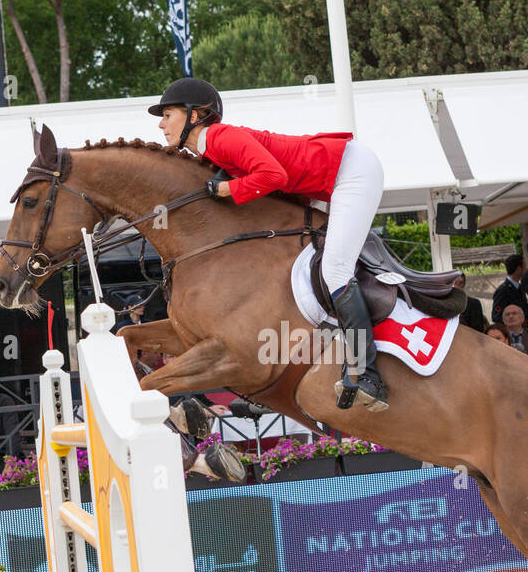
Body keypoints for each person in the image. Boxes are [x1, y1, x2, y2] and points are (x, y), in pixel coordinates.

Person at [150, 77, 388, 411]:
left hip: (350, 172)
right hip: (325, 181)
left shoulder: (219, 137)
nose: (161, 124)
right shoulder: (211, 148)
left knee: (335, 270)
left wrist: (225, 191)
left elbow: (272, 176)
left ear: (195, 114)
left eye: (168, 114)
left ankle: (369, 375)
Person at [491, 253, 528, 325]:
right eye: (524, 266)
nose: (526, 269)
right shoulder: (503, 291)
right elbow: (496, 316)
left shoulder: (520, 287)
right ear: (518, 269)